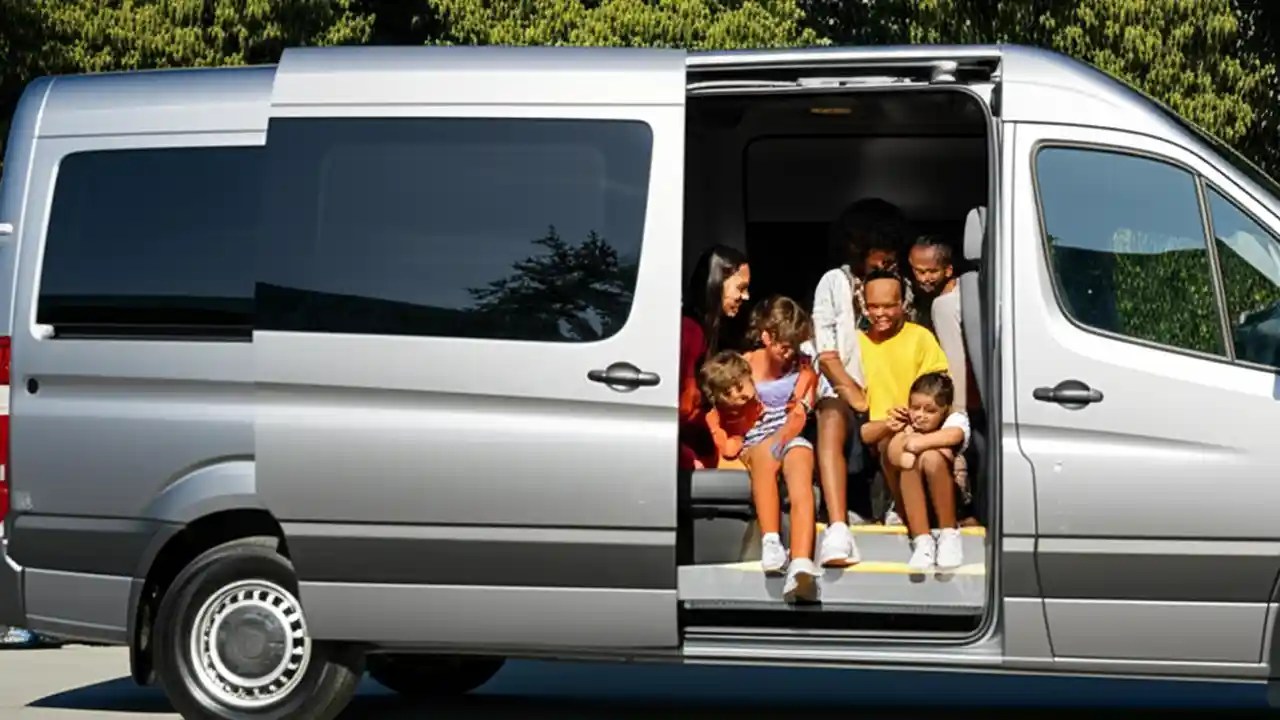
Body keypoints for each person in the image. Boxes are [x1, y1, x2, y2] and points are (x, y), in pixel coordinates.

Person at [701, 297, 821, 602]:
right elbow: (720, 412)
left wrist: (796, 416)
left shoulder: (802, 368)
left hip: (786, 437)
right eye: (784, 345)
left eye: (796, 345)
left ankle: (802, 563)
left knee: (801, 465)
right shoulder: (741, 367)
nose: (790, 352)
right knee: (767, 458)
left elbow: (803, 404)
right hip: (756, 443)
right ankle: (771, 542)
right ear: (767, 337)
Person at [855, 270, 952, 565]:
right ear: (863, 306)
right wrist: (889, 423)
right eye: (873, 306)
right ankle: (919, 531)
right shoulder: (856, 343)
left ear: (903, 305)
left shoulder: (920, 337)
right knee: (896, 443)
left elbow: (938, 390)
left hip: (919, 429)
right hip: (875, 434)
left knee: (924, 455)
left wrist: (913, 417)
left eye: (888, 305)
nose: (881, 313)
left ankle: (941, 535)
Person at [906, 234, 976, 519]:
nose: (923, 278)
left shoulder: (943, 305)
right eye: (917, 270)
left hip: (964, 403)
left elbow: (954, 361)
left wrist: (954, 410)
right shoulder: (968, 293)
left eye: (931, 271)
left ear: (949, 270)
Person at [883, 372, 969, 570]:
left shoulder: (956, 420)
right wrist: (906, 443)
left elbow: (953, 436)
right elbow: (896, 455)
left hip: (948, 499)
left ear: (945, 410)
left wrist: (914, 443)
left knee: (931, 457)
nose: (920, 415)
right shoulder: (906, 423)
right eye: (915, 408)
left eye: (930, 410)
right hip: (913, 501)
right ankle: (922, 540)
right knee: (909, 464)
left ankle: (949, 534)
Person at [679, 245, 751, 471]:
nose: (746, 296)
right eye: (741, 288)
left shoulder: (706, 332)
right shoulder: (690, 331)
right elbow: (683, 407)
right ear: (718, 281)